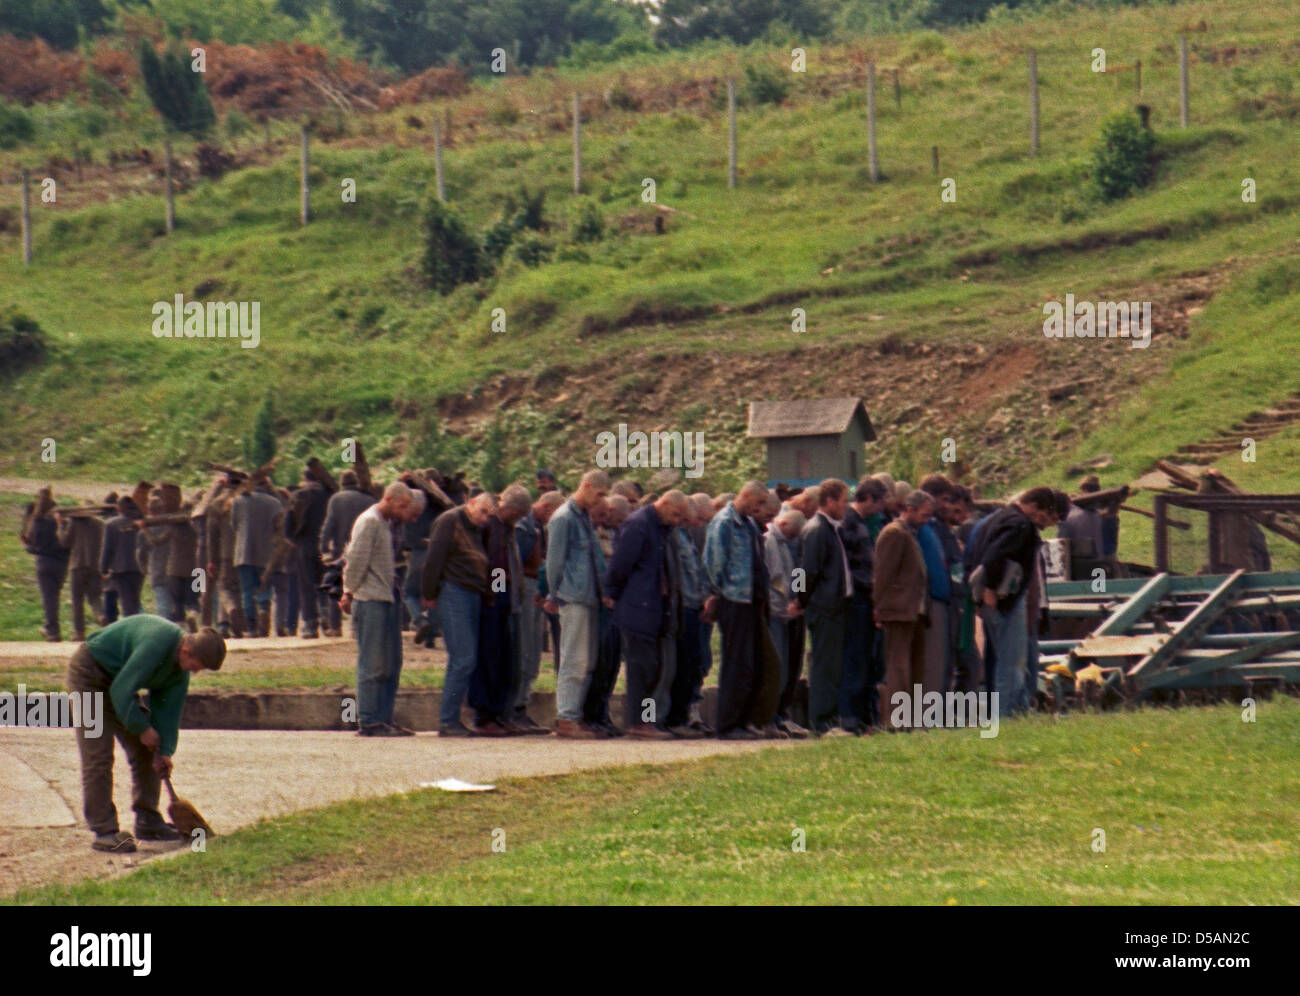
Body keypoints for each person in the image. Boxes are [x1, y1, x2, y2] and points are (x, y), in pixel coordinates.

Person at [67, 615, 226, 852]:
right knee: (98, 756)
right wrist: (142, 728)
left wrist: (164, 752)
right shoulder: (157, 643)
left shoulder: (178, 672)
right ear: (186, 650)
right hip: (89, 677)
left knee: (147, 750)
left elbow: (168, 714)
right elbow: (122, 690)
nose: (196, 672)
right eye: (197, 665)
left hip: (117, 681)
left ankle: (147, 820)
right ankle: (104, 830)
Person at [339, 482, 423, 736]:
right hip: (370, 598)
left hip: (387, 597)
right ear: (388, 499)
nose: (403, 512)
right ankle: (369, 719)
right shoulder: (370, 522)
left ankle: (384, 717)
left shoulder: (385, 523)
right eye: (402, 506)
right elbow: (356, 560)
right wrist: (348, 591)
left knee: (390, 663)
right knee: (372, 662)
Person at [605, 491, 691, 739]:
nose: (676, 520)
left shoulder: (662, 528)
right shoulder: (639, 525)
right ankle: (638, 722)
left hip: (657, 609)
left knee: (655, 668)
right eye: (675, 514)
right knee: (642, 668)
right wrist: (612, 592)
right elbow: (620, 564)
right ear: (663, 504)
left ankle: (648, 720)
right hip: (638, 608)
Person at [970, 487, 1057, 719]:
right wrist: (989, 588)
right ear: (1036, 507)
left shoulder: (996, 518)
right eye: (1048, 515)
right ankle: (1007, 717)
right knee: (1011, 664)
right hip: (1004, 600)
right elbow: (995, 556)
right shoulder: (1020, 525)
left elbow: (975, 555)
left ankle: (1018, 714)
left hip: (990, 599)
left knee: (1008, 661)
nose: (1047, 523)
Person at [545, 470, 613, 739]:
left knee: (587, 660)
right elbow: (554, 562)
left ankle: (574, 714)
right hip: (574, 597)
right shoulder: (563, 518)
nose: (601, 500)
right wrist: (555, 594)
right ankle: (566, 718)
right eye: (599, 494)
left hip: (588, 597)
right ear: (585, 486)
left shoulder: (582, 518)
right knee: (575, 659)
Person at [423, 491, 496, 736]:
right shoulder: (450, 520)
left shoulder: (477, 528)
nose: (484, 518)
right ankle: (447, 720)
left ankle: (452, 718)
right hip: (454, 591)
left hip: (471, 592)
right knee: (462, 658)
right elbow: (434, 558)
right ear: (471, 502)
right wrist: (429, 593)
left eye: (489, 515)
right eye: (482, 511)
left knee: (467, 658)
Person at [703, 481, 771, 740]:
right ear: (745, 496)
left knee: (749, 663)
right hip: (734, 599)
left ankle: (743, 719)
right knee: (735, 662)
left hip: (751, 600)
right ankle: (728, 724)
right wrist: (715, 593)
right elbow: (714, 562)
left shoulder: (750, 525)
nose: (761, 508)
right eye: (759, 502)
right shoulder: (724, 524)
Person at [468, 485, 531, 736]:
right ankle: (485, 716)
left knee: (505, 657)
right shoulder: (491, 525)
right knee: (490, 656)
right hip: (492, 599)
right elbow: (492, 563)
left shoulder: (506, 528)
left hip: (504, 598)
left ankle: (498, 713)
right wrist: (494, 592)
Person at [799, 479, 855, 737]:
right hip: (824, 609)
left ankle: (829, 719)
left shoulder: (832, 529)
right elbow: (805, 570)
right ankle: (821, 723)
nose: (846, 506)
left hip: (836, 608)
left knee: (833, 666)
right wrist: (799, 600)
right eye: (843, 501)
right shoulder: (817, 530)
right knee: (823, 666)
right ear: (830, 501)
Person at [874, 490, 932, 730]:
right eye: (924, 514)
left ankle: (913, 718)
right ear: (909, 509)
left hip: (914, 610)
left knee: (915, 665)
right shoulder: (894, 534)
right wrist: (879, 606)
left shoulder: (909, 534)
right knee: (899, 665)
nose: (926, 520)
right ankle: (897, 720)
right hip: (898, 609)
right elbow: (883, 574)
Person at [511, 490, 564, 730]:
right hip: (525, 588)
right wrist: (500, 592)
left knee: (532, 651)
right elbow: (514, 564)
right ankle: (514, 708)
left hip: (534, 589)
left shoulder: (537, 527)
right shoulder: (524, 528)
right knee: (524, 649)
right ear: (545, 507)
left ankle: (521, 705)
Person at [584, 493, 631, 736]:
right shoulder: (593, 532)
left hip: (616, 604)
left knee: (612, 662)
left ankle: (602, 714)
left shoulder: (616, 533)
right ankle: (591, 715)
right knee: (599, 660)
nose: (616, 524)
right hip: (600, 603)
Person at [839, 477, 884, 730]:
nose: (879, 511)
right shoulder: (850, 523)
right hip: (856, 598)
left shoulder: (861, 524)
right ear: (867, 499)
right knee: (855, 658)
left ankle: (863, 714)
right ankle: (850, 716)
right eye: (877, 504)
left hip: (865, 597)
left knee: (865, 658)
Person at [764, 506, 807, 737]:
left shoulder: (788, 544)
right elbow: (775, 580)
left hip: (791, 611)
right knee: (777, 664)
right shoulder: (770, 542)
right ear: (783, 525)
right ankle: (771, 716)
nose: (794, 539)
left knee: (790, 664)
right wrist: (784, 605)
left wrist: (798, 599)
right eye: (792, 535)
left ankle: (782, 714)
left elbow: (797, 573)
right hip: (777, 612)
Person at [319, 470, 376, 637]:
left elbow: (329, 524)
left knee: (337, 586)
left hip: (341, 549)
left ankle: (335, 626)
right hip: (363, 548)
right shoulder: (368, 500)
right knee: (359, 586)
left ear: (342, 483)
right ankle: (356, 626)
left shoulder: (336, 499)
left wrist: (323, 545)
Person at [916, 475, 956, 697]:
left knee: (940, 660)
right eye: (944, 499)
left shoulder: (935, 527)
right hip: (929, 601)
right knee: (931, 661)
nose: (946, 506)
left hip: (941, 599)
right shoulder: (921, 528)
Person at [232, 480, 284, 638]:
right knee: (264, 587)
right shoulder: (275, 503)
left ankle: (252, 626)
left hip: (243, 552)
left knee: (247, 590)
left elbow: (234, 524)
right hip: (266, 553)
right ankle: (263, 610)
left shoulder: (239, 501)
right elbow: (279, 528)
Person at [288, 466, 331, 639]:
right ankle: (327, 617)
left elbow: (288, 524)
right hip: (325, 545)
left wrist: (292, 539)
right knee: (325, 584)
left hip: (304, 545)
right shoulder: (329, 495)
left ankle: (311, 625)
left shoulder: (298, 495)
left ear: (305, 478)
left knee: (306, 586)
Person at [23, 489, 69, 641]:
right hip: (62, 564)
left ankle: (53, 631)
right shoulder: (60, 522)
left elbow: (33, 546)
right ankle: (51, 628)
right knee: (55, 596)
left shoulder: (37, 522)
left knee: (49, 598)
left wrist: (26, 546)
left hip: (44, 563)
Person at [57, 507, 105, 642]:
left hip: (78, 565)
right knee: (95, 597)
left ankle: (79, 632)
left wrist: (60, 525)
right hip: (96, 565)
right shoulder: (101, 524)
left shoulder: (74, 523)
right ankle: (101, 616)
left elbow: (65, 542)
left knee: (77, 600)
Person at [100, 494, 146, 620]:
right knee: (135, 601)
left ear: (119, 509)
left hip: (120, 568)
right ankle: (135, 623)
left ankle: (130, 629)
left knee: (126, 604)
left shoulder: (112, 524)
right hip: (139, 568)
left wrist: (103, 569)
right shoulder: (142, 522)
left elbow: (107, 548)